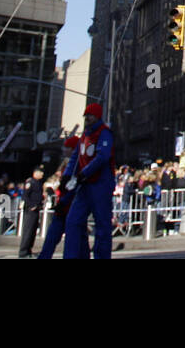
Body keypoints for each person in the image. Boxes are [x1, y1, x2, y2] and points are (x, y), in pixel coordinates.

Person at [64, 102, 117, 259]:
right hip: (85, 185)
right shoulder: (85, 135)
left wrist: (83, 173)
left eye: (90, 115)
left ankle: (101, 256)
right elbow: (76, 156)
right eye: (86, 115)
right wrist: (68, 174)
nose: (87, 118)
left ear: (97, 116)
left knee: (102, 225)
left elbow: (102, 157)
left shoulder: (104, 133)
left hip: (101, 184)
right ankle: (75, 255)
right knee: (73, 221)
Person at [37, 136, 79, 259]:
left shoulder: (76, 165)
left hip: (69, 208)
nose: (64, 149)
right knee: (58, 238)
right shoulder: (70, 165)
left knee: (71, 240)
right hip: (65, 207)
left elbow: (72, 187)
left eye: (67, 147)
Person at [16, 168, 45, 257]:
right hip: (30, 210)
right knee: (28, 231)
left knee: (32, 232)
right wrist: (32, 206)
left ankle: (29, 250)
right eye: (41, 173)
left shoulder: (38, 183)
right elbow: (25, 196)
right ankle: (23, 252)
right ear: (35, 173)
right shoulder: (30, 182)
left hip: (37, 209)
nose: (42, 174)